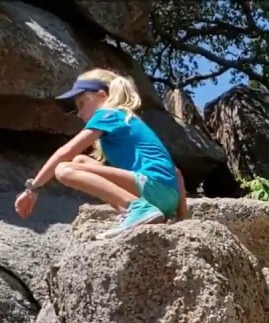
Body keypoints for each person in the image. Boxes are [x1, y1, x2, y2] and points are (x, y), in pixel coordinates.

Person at [14, 68, 188, 239]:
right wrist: (181, 218)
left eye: (82, 103)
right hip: (166, 201)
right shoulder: (129, 120)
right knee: (81, 160)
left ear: (102, 96)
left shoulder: (109, 114)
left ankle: (136, 208)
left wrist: (33, 188)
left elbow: (65, 151)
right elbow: (177, 173)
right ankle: (134, 212)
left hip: (151, 189)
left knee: (64, 169)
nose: (80, 113)